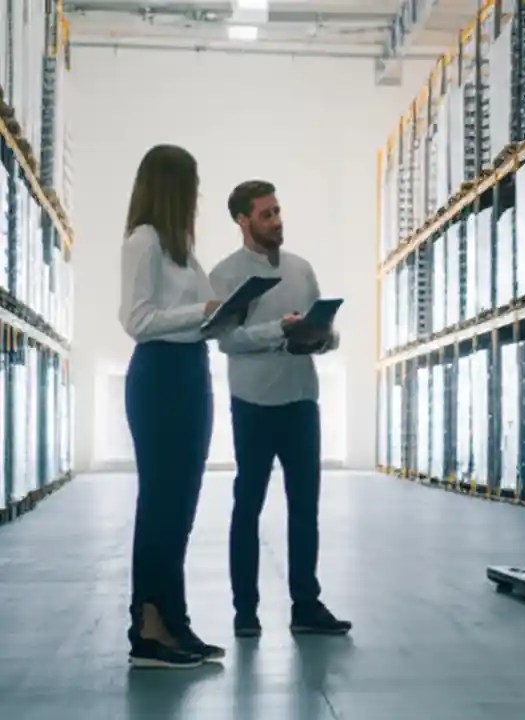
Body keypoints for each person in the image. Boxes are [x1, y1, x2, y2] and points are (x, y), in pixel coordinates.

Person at [208, 180, 352, 638]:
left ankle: (305, 606)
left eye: (277, 211)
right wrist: (278, 330)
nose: (276, 221)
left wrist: (322, 337)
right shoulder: (225, 275)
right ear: (242, 221)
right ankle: (245, 611)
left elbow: (325, 330)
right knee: (246, 506)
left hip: (300, 402)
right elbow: (227, 340)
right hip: (252, 405)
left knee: (304, 507)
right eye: (266, 214)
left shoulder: (301, 269)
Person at [119, 144, 231, 668]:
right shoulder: (143, 242)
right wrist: (199, 310)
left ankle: (176, 621)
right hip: (160, 376)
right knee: (161, 505)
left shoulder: (183, 251)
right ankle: (148, 627)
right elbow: (136, 320)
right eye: (192, 186)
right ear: (171, 188)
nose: (197, 198)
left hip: (190, 374)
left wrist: (241, 317)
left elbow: (204, 317)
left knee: (181, 509)